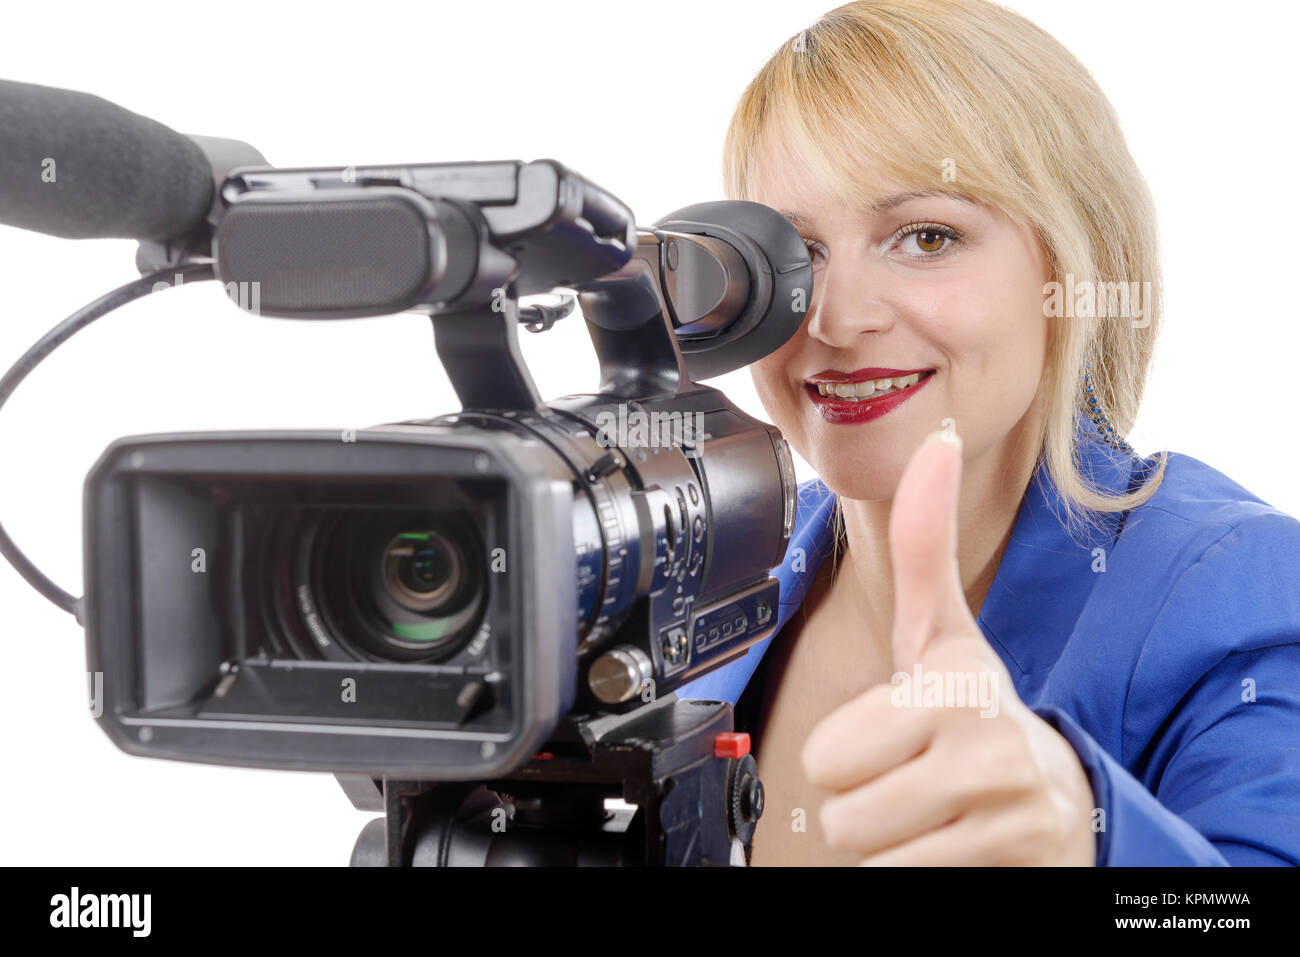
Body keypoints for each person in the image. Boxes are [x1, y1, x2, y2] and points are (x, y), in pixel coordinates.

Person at [675, 0, 1300, 866]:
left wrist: (1089, 842)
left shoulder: (1239, 592)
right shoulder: (698, 577)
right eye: (797, 253)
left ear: (1073, 265)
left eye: (927, 236)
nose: (838, 318)